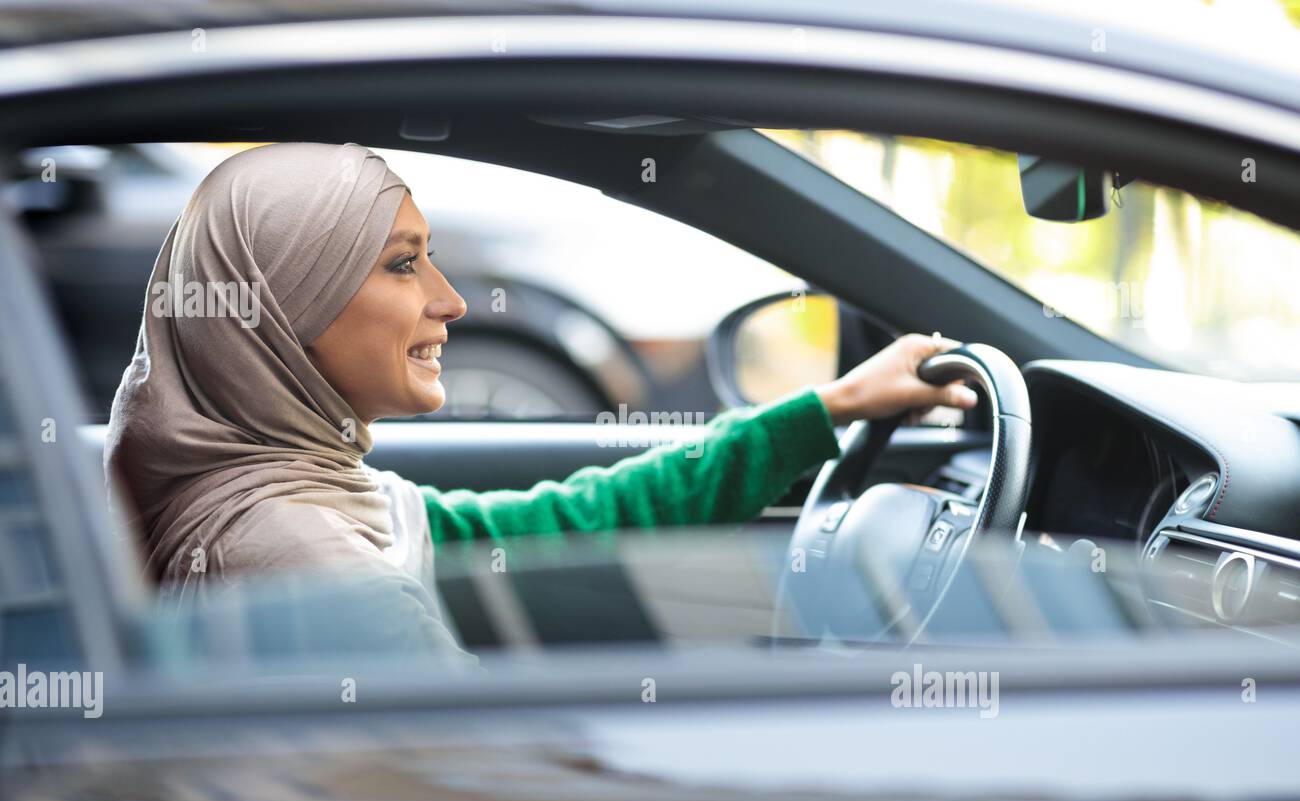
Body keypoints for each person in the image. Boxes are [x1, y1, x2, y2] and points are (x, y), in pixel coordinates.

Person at [103, 142, 977, 660]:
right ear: (291, 306)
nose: (450, 300)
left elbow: (573, 522)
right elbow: (503, 797)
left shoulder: (309, 498)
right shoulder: (301, 560)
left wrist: (829, 408)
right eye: (404, 264)